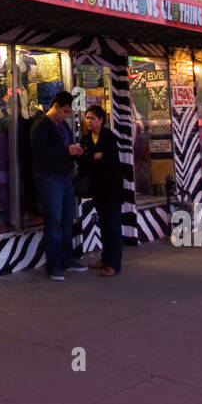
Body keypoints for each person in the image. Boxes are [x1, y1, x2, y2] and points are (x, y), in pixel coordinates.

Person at [30, 90, 86, 281]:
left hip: (64, 177)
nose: (66, 115)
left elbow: (64, 147)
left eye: (68, 112)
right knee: (54, 222)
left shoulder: (63, 126)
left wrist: (73, 151)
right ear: (55, 107)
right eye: (64, 111)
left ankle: (67, 259)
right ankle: (54, 265)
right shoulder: (40, 126)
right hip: (49, 178)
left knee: (66, 220)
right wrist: (66, 151)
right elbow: (40, 153)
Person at [78, 105, 121, 276]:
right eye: (87, 118)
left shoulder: (108, 137)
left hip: (111, 187)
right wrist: (92, 157)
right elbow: (82, 160)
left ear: (101, 119)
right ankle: (105, 259)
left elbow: (107, 161)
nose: (89, 121)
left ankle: (114, 264)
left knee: (113, 226)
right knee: (104, 224)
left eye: (92, 118)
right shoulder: (87, 138)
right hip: (97, 188)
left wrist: (91, 158)